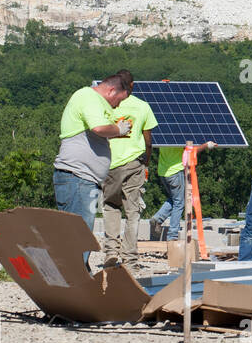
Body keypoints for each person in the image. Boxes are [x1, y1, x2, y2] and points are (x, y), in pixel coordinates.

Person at [53, 75, 131, 266]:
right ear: (112, 91)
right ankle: (77, 279)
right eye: (119, 100)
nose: (117, 106)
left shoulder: (92, 99)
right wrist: (117, 129)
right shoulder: (88, 97)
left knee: (75, 235)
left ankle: (77, 276)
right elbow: (98, 128)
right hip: (78, 177)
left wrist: (113, 132)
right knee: (79, 235)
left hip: (81, 179)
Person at [99, 71, 158, 268]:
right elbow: (148, 140)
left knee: (110, 206)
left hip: (110, 164)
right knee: (133, 212)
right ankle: (130, 258)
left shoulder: (106, 104)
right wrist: (147, 163)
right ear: (132, 85)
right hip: (134, 163)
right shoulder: (143, 106)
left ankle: (111, 251)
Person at [149, 141, 216, 241]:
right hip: (175, 172)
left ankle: (158, 218)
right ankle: (172, 235)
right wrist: (206, 145)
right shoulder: (179, 135)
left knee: (175, 199)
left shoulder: (164, 132)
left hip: (163, 172)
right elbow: (191, 151)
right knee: (179, 203)